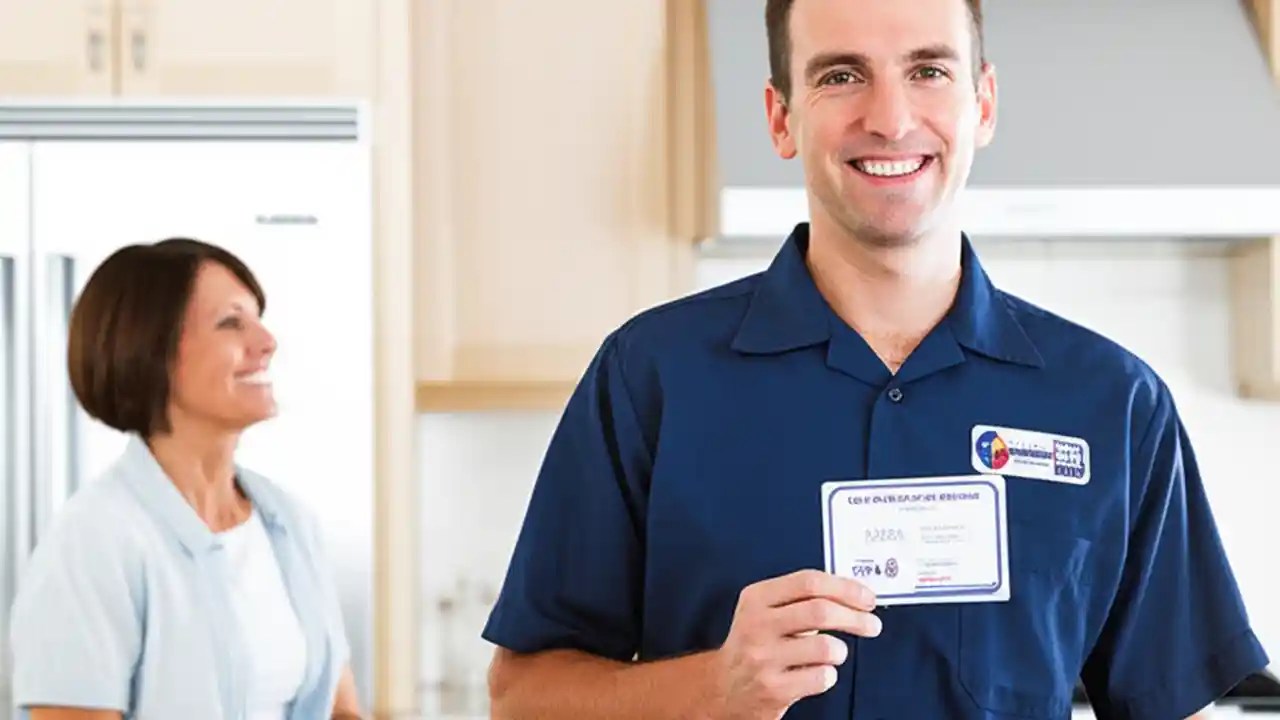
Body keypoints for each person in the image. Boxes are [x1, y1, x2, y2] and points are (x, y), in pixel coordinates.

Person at [480, 0, 1271, 718]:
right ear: (781, 117)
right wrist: (713, 687)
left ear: (983, 103)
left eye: (928, 70)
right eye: (841, 75)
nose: (890, 119)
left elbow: (1171, 704)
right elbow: (522, 696)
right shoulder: (651, 376)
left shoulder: (1113, 404)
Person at [8, 238, 363, 720]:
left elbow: (340, 710)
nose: (267, 341)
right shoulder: (95, 540)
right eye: (232, 322)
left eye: (258, 317)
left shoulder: (289, 523)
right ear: (149, 349)